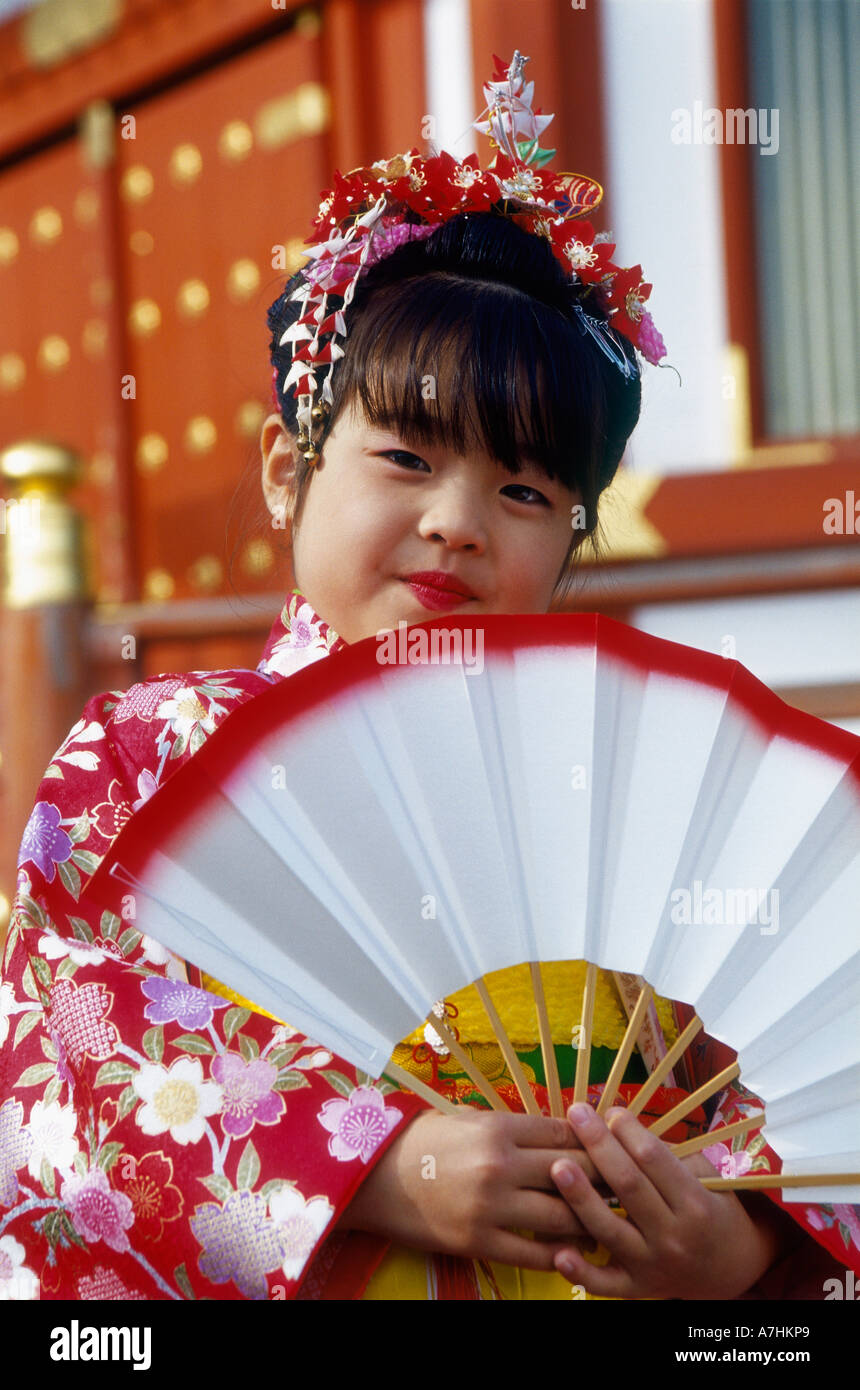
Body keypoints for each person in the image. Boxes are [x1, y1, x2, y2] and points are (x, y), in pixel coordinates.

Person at [1, 51, 857, 1303]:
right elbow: (53, 1072)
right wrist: (380, 1165)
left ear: (570, 538)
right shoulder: (145, 755)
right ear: (290, 473)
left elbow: (811, 1069)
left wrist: (736, 1250)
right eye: (404, 457)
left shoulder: (642, 789)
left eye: (521, 490)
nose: (458, 522)